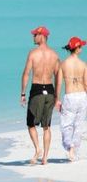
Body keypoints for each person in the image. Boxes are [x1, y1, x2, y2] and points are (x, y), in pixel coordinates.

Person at [21, 26, 59, 164]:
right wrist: (57, 96)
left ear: (42, 36)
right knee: (46, 126)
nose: (33, 37)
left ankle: (38, 149)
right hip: (50, 90)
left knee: (31, 123)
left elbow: (26, 74)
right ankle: (45, 158)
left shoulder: (33, 53)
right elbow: (58, 77)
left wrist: (23, 93)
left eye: (35, 35)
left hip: (37, 90)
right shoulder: (54, 55)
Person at [57, 36, 87, 162]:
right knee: (78, 125)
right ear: (77, 48)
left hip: (69, 96)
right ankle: (73, 149)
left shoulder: (63, 64)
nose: (82, 48)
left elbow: (59, 83)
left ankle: (69, 146)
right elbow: (86, 84)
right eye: (81, 46)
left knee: (66, 125)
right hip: (82, 95)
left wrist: (57, 99)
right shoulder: (83, 65)